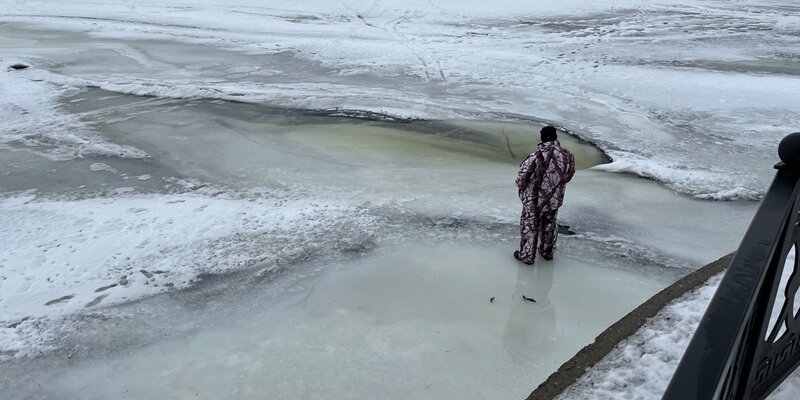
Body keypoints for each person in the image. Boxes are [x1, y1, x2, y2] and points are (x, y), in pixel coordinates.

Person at [514, 126, 575, 265]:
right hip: (554, 199)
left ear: (542, 137)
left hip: (534, 200)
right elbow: (568, 175)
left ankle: (527, 256)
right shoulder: (568, 156)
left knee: (529, 226)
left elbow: (522, 178)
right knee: (550, 225)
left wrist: (523, 190)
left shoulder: (537, 156)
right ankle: (547, 252)